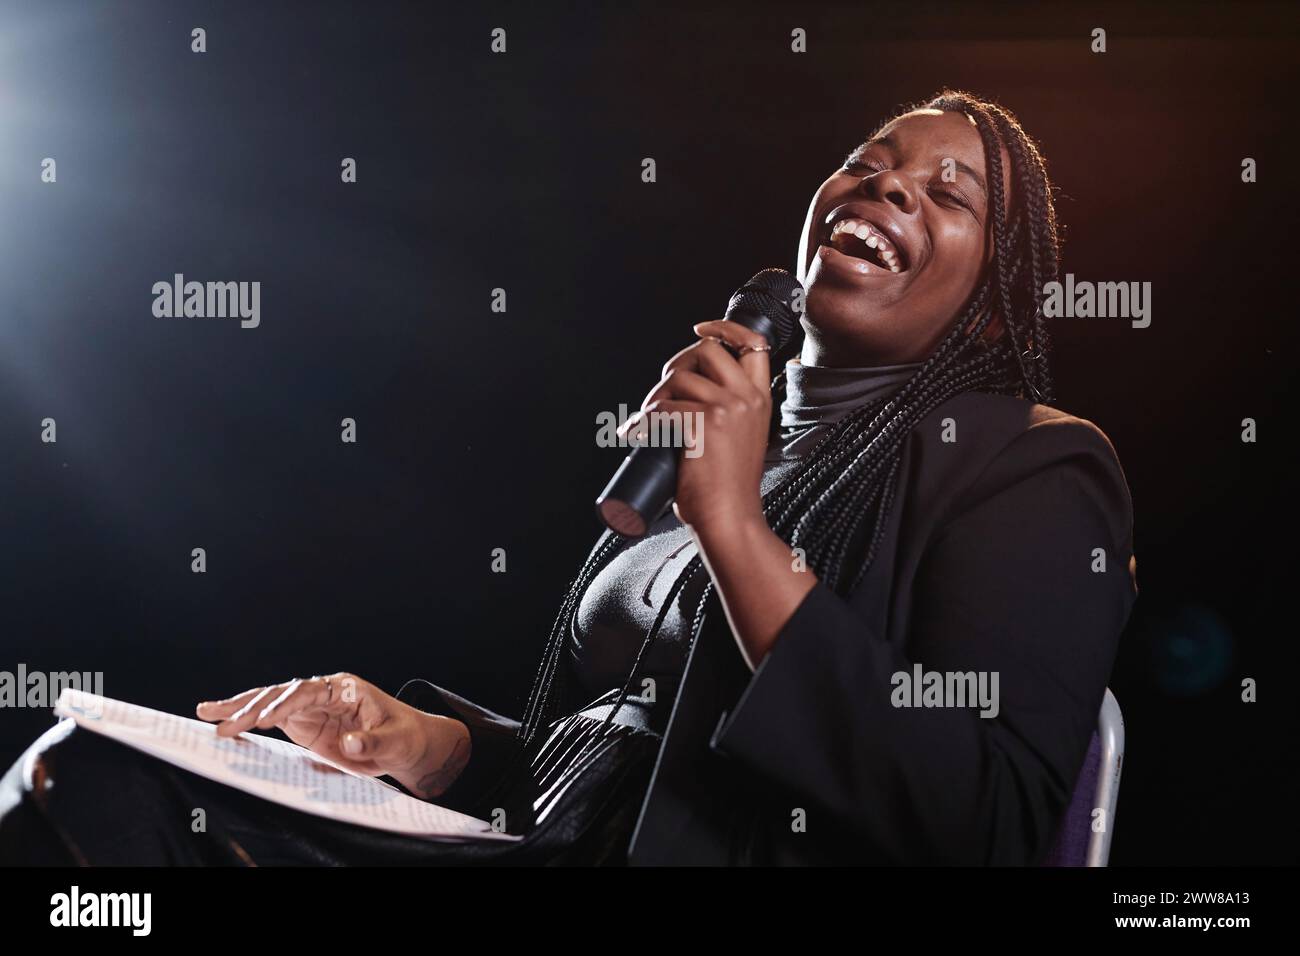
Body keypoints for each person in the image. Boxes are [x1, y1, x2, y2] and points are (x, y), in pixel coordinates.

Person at [0, 89, 1137, 866]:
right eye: (867, 165)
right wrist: (431, 745)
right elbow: (614, 755)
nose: (884, 189)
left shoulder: (1028, 463)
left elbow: (986, 818)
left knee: (101, 794)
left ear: (993, 299)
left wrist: (736, 527)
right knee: (92, 773)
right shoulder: (722, 438)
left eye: (947, 194)